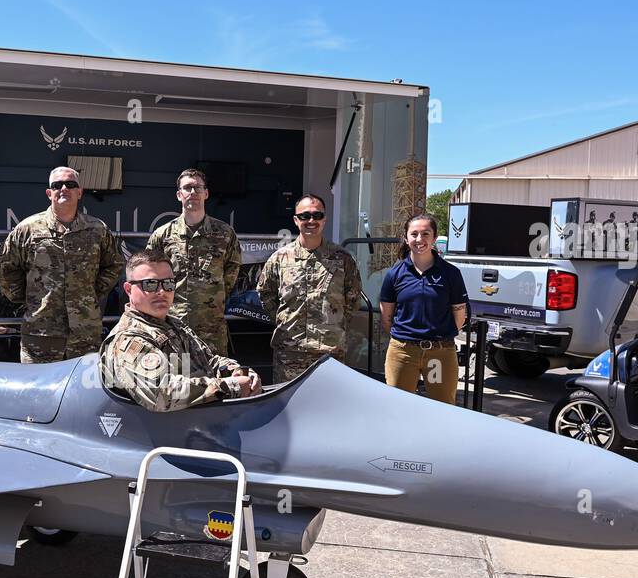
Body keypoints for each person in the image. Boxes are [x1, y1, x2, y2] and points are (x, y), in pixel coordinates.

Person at [0, 166, 124, 363]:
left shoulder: (97, 229)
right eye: (57, 185)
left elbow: (115, 264)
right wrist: (27, 298)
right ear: (49, 193)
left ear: (80, 192)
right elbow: (4, 267)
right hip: (41, 335)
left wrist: (92, 292)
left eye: (71, 184)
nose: (64, 188)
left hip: (84, 333)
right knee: (37, 390)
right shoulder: (27, 229)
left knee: (82, 391)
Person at [102, 251, 260, 412]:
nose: (161, 291)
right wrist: (231, 386)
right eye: (150, 284)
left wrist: (238, 371)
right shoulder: (128, 339)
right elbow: (161, 393)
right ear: (128, 289)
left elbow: (209, 362)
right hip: (158, 434)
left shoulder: (174, 325)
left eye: (168, 284)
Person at [257, 194, 363, 382]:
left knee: (330, 407)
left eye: (317, 215)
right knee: (287, 407)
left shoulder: (343, 259)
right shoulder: (280, 258)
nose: (311, 220)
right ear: (296, 220)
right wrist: (287, 320)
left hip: (330, 352)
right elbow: (266, 294)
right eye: (305, 216)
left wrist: (332, 325)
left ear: (324, 219)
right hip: (290, 352)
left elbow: (353, 298)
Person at [144, 168, 242, 354]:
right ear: (179, 195)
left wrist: (212, 296)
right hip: (172, 326)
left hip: (211, 329)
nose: (193, 193)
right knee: (176, 377)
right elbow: (150, 275)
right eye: (187, 188)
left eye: (198, 188)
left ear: (206, 193)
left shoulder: (225, 234)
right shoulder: (163, 235)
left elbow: (230, 274)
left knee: (215, 379)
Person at [378, 213, 469, 405]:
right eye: (414, 234)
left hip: (439, 355)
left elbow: (459, 316)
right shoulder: (394, 274)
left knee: (441, 406)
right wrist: (405, 339)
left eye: (426, 234)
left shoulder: (451, 274)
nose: (420, 239)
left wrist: (438, 339)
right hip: (403, 354)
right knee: (398, 406)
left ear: (434, 238)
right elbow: (386, 317)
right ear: (406, 238)